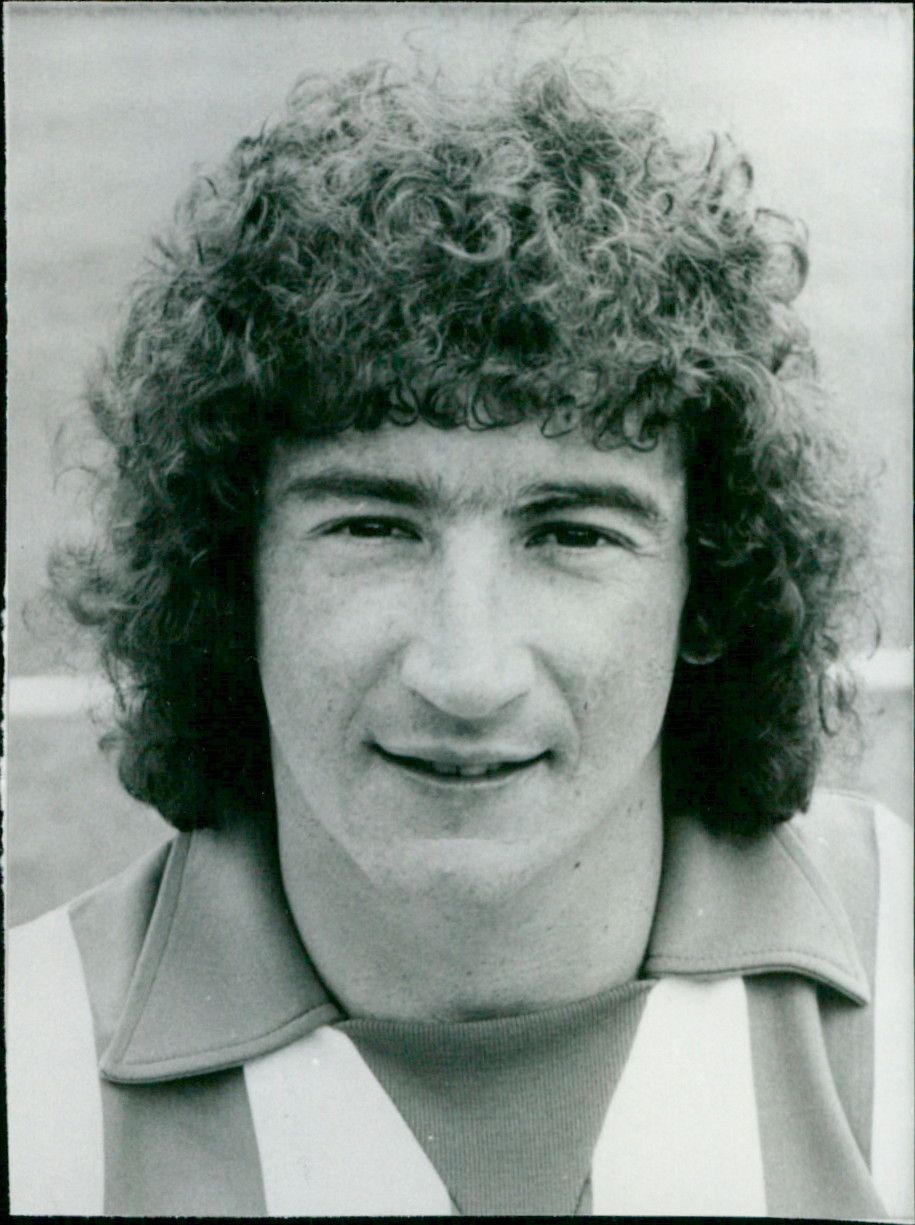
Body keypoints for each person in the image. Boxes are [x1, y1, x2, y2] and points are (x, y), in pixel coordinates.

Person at [7, 58, 912, 1218]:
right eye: (374, 525)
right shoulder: (28, 1074)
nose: (466, 671)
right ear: (233, 571)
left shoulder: (903, 984)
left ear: (712, 585)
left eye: (574, 534)